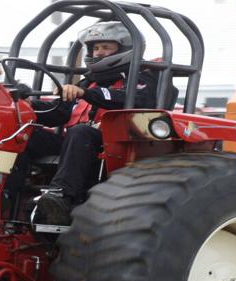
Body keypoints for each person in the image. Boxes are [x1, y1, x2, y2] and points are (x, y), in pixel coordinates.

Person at [19, 22, 158, 219]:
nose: (99, 52)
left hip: (114, 148)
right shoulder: (88, 81)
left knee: (81, 131)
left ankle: (61, 197)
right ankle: (8, 194)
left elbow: (131, 100)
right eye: (95, 48)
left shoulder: (143, 78)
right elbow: (58, 113)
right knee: (24, 131)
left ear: (125, 49)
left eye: (106, 47)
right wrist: (26, 106)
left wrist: (86, 93)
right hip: (75, 145)